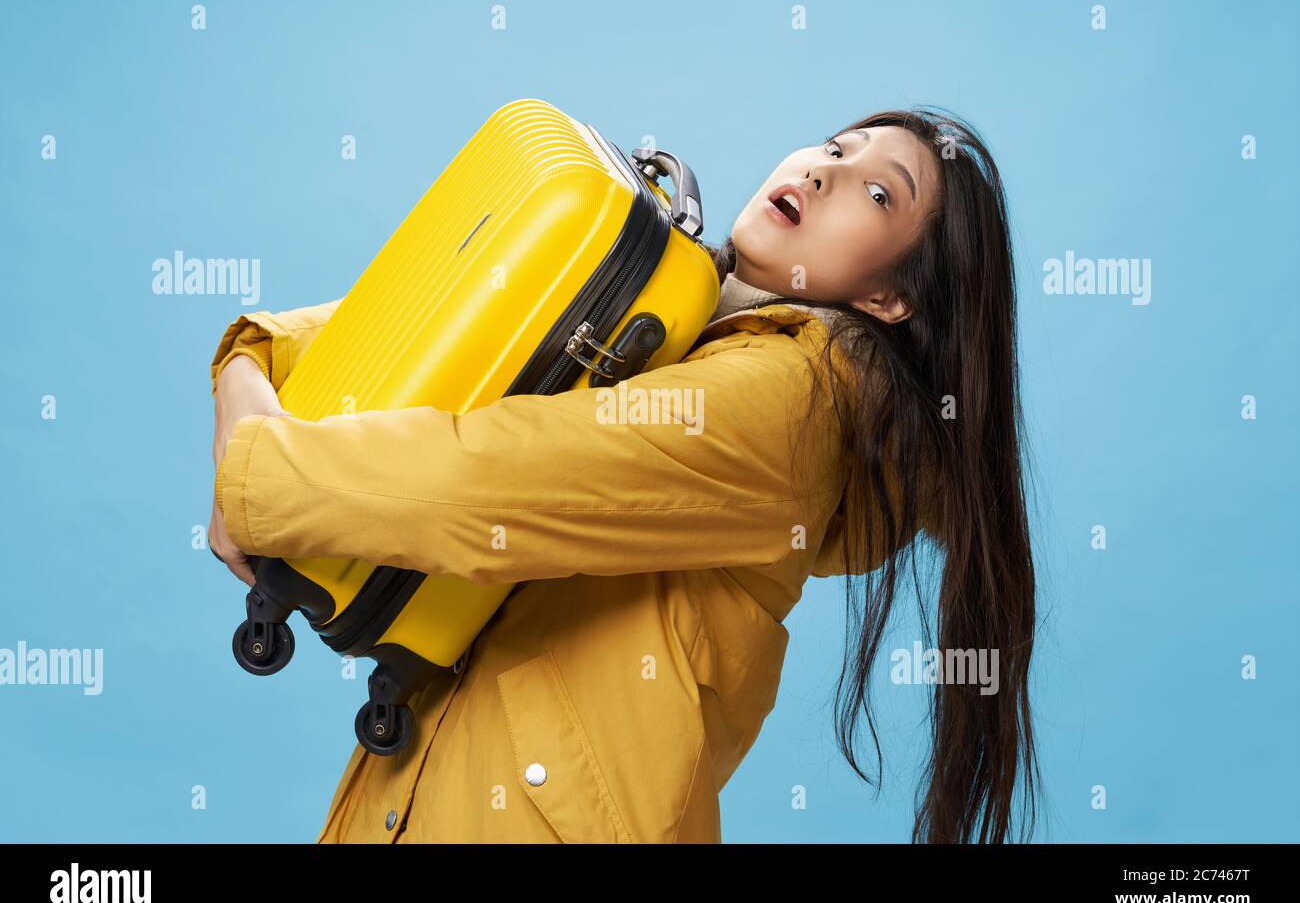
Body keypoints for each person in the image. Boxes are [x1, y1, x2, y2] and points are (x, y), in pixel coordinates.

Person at [208, 107, 1040, 843]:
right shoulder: (677, 311)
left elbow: (491, 480)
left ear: (891, 299)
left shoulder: (791, 401)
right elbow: (422, 314)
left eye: (879, 193)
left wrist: (254, 470)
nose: (825, 172)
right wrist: (252, 363)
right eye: (834, 147)